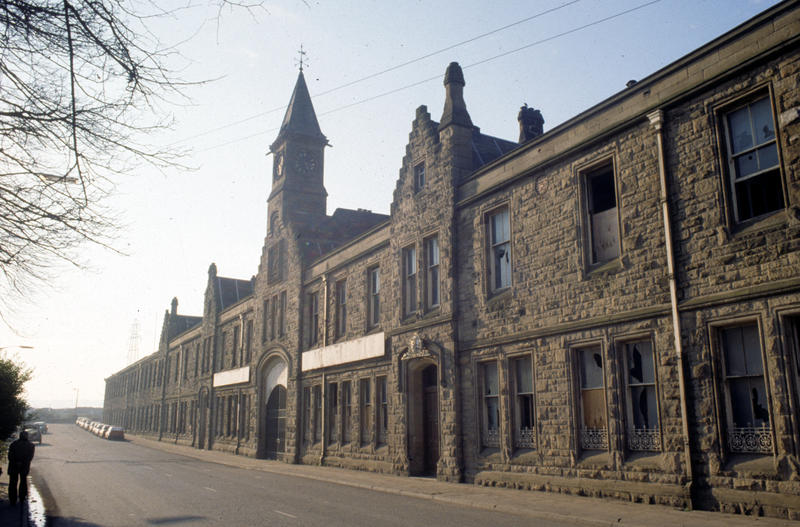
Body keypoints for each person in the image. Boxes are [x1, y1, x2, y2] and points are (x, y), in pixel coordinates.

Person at [7, 430, 35, 506]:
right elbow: (30, 457)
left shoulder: (14, 444)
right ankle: (22, 498)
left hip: (13, 466)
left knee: (13, 483)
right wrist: (22, 462)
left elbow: (10, 456)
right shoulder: (30, 445)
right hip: (24, 466)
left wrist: (16, 462)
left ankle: (13, 500)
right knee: (23, 482)